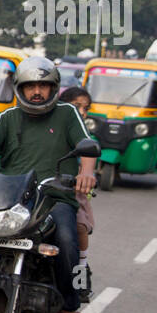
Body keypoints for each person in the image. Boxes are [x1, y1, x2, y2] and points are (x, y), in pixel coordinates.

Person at [0, 58, 98, 313]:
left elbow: (86, 148)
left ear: (54, 88)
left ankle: (69, 306)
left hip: (54, 198)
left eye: (44, 85)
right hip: (12, 198)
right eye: (31, 86)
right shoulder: (9, 117)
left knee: (66, 238)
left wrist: (86, 173)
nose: (37, 91)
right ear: (20, 88)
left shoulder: (67, 114)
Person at [59, 86, 96, 299]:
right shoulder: (53, 123)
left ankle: (80, 272)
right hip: (38, 187)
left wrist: (86, 174)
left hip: (70, 189)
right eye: (77, 106)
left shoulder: (82, 133)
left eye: (85, 108)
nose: (82, 112)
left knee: (79, 226)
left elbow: (88, 157)